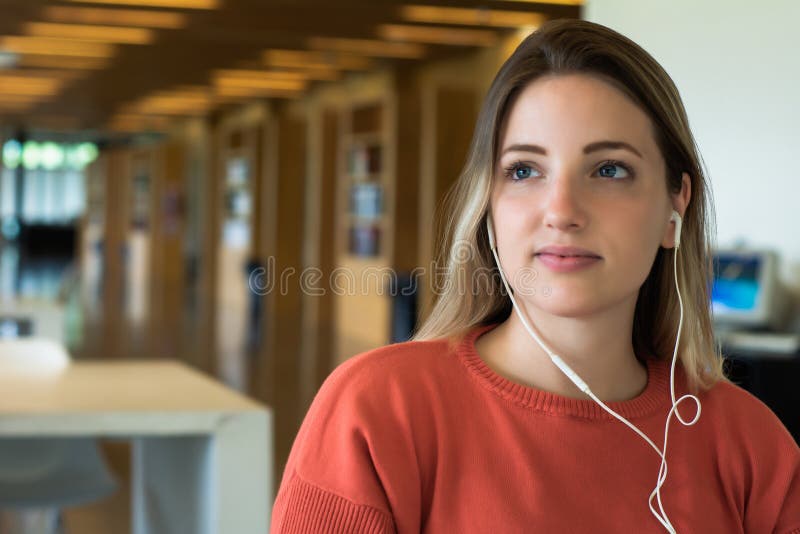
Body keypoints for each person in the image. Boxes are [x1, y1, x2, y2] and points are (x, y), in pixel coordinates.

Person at [270, 18, 800, 533]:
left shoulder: (752, 447)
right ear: (489, 207)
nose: (562, 210)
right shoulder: (379, 411)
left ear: (674, 206)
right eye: (524, 171)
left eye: (609, 169)